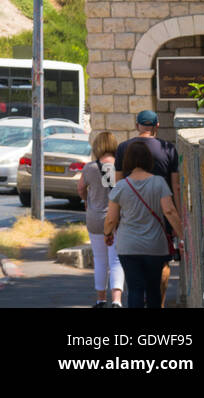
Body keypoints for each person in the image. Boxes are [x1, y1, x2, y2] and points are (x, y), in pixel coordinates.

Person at [104, 139, 183, 309]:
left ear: (127, 161)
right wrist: (182, 235)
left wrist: (107, 234)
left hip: (128, 246)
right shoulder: (159, 182)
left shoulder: (121, 186)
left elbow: (111, 219)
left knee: (135, 290)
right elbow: (169, 211)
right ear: (149, 159)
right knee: (153, 289)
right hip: (155, 246)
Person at [78, 130, 123, 308]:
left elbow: (80, 188)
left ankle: (100, 299)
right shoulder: (120, 167)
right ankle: (117, 301)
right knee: (116, 260)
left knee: (99, 259)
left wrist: (86, 202)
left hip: (95, 218)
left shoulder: (90, 168)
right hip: (115, 219)